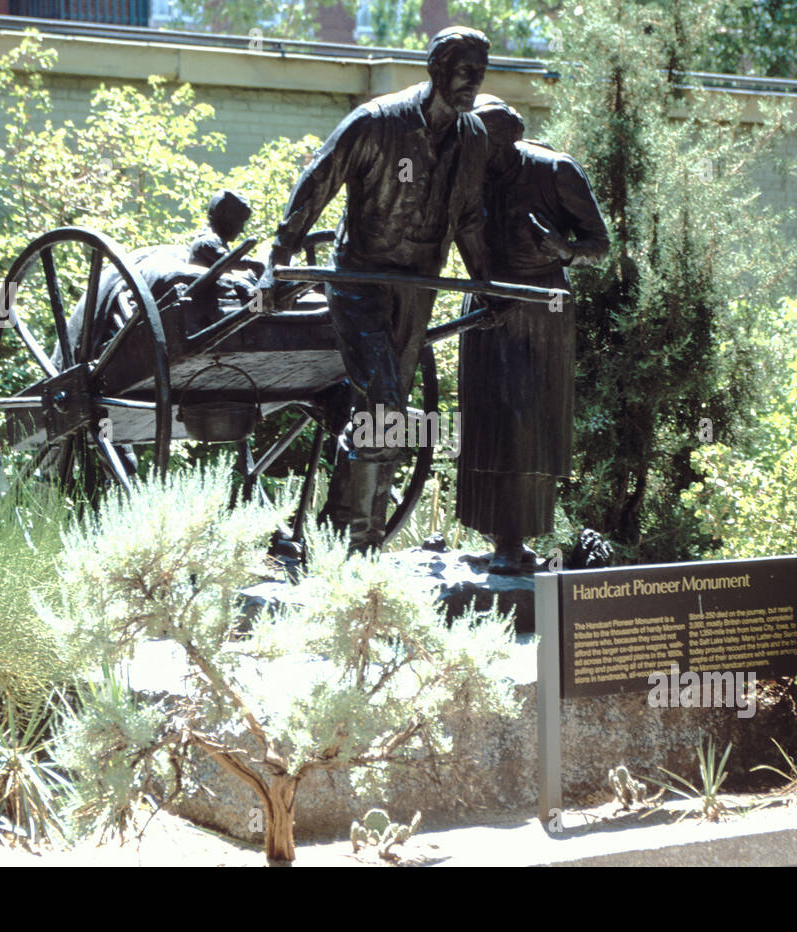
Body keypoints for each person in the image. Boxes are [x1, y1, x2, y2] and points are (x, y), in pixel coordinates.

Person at [257, 26, 497, 552]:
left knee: (380, 416)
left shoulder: (473, 137)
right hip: (360, 279)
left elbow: (471, 218)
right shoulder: (376, 122)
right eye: (463, 72)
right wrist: (280, 257)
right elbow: (318, 181)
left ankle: (335, 529)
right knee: (387, 407)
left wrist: (486, 284)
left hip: (417, 286)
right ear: (437, 69)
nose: (472, 85)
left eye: (479, 76)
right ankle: (362, 545)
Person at [456, 95, 610, 574]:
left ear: (506, 138)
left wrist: (563, 249)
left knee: (526, 423)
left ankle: (513, 539)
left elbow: (599, 246)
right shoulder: (467, 176)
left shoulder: (555, 171)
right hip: (484, 302)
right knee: (484, 418)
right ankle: (493, 534)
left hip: (540, 307)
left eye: (480, 142)